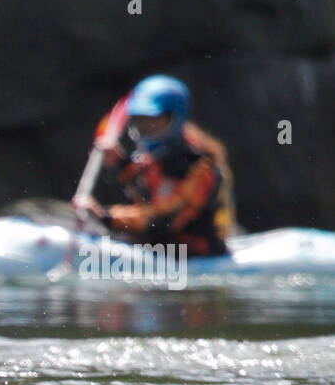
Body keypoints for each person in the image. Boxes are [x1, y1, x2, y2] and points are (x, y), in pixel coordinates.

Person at [78, 75, 236, 256]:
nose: (146, 129)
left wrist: (106, 217)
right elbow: (147, 181)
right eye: (140, 122)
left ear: (175, 119)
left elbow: (164, 221)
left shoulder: (200, 167)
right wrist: (119, 163)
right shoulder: (155, 158)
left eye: (154, 121)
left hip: (196, 254)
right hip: (160, 248)